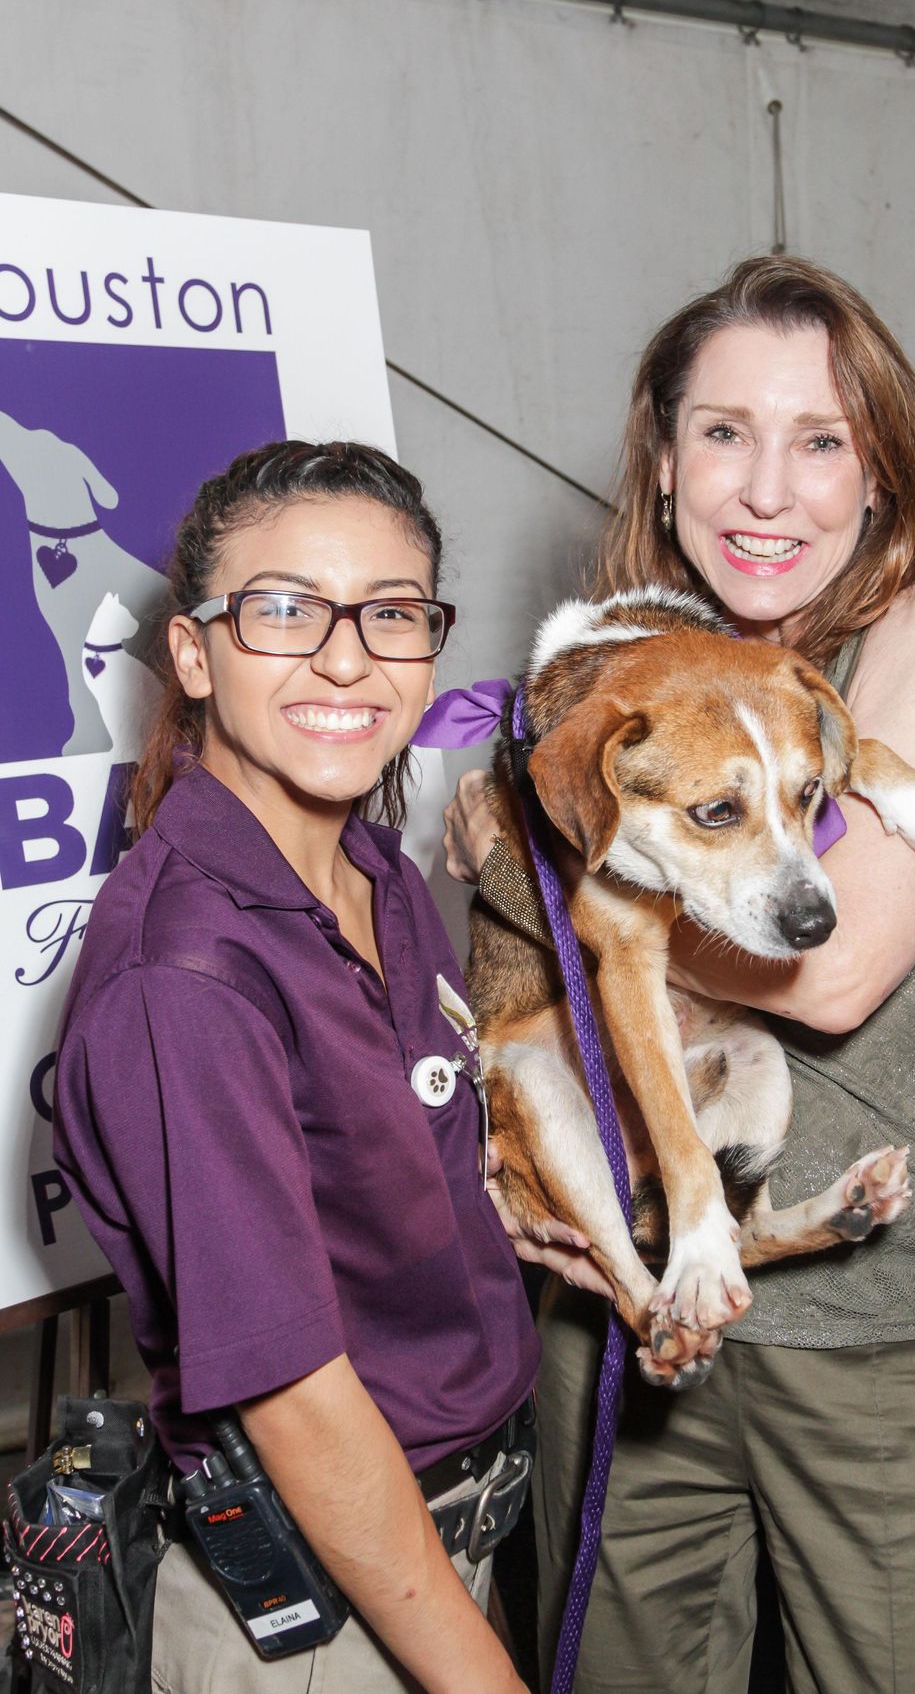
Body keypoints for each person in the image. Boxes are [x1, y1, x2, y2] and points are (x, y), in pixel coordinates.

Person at [443, 256, 915, 1693]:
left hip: (881, 1334)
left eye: (821, 440)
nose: (767, 492)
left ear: (882, 472)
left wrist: (527, 855)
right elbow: (532, 973)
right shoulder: (638, 672)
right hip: (630, 1299)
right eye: (723, 433)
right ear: (663, 460)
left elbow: (831, 973)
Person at [53, 440, 543, 1693]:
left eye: (391, 612)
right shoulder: (189, 975)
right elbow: (296, 1399)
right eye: (283, 609)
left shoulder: (377, 875)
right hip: (326, 1609)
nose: (346, 658)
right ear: (194, 654)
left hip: (447, 1543)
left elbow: (396, 1180)